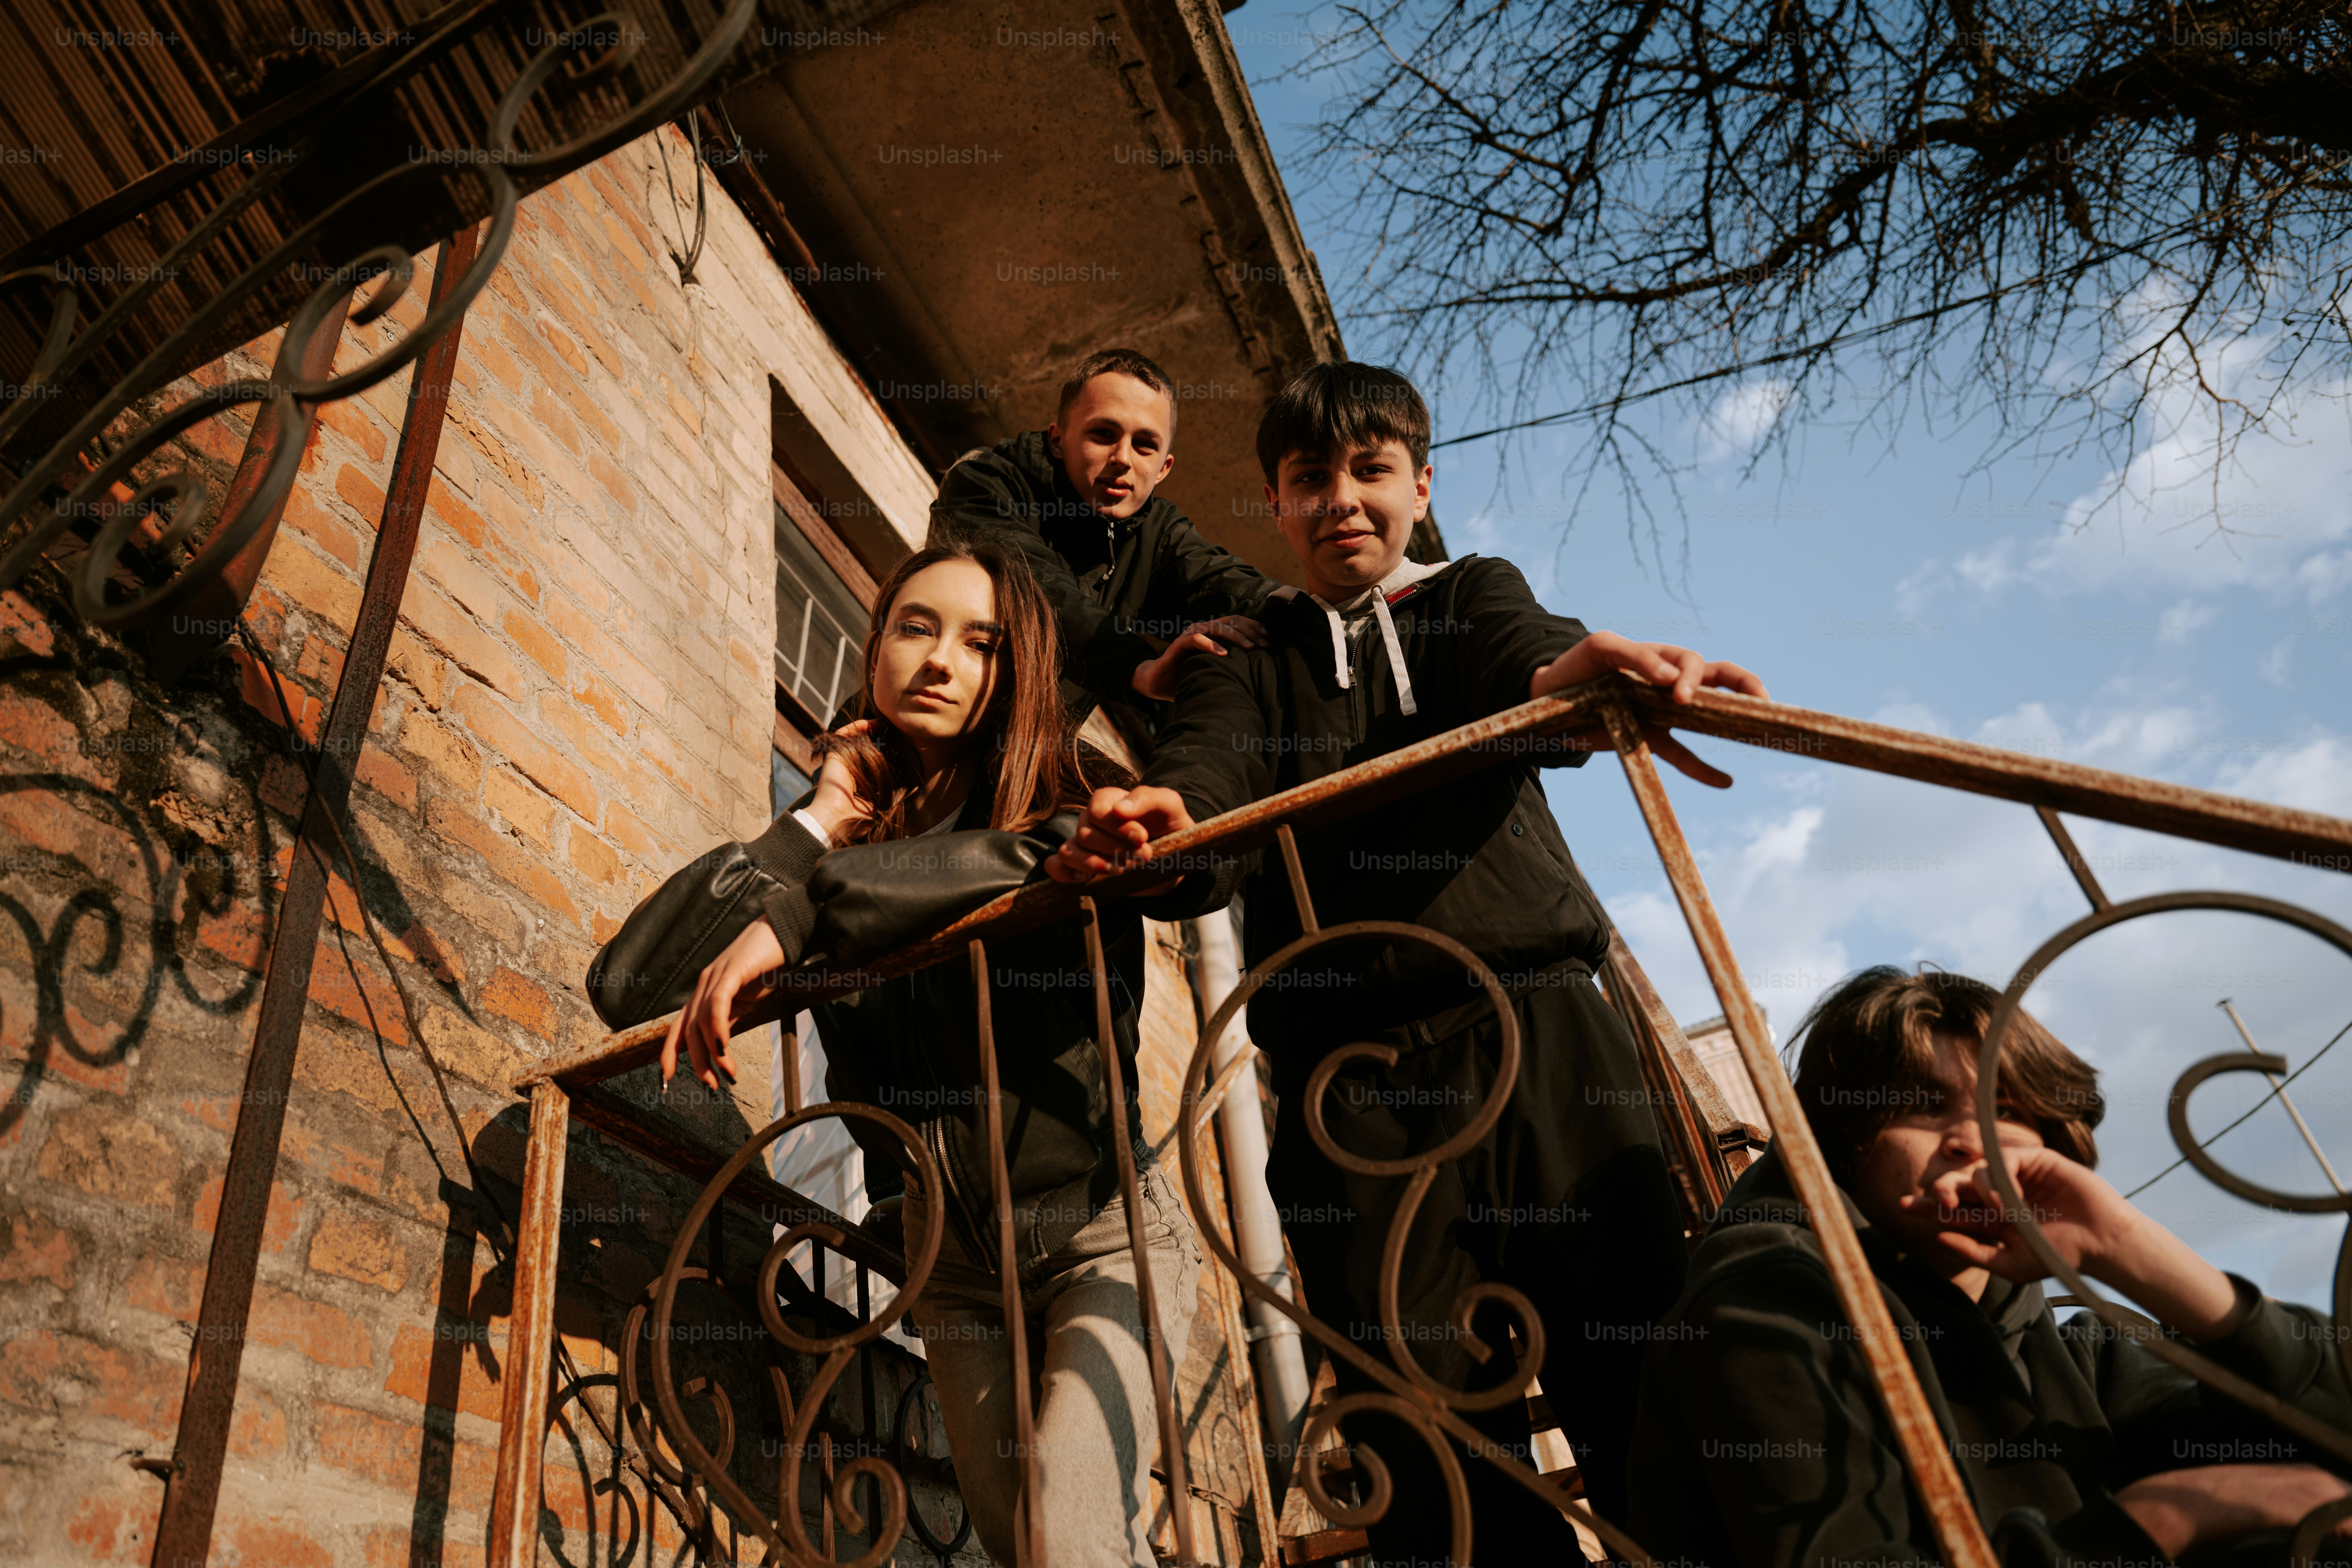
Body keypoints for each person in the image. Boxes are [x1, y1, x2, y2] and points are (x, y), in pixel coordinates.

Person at [1047, 360, 1769, 1564]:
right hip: (1350, 1089)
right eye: (1310, 478)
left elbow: (1525, 654)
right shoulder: (1253, 652)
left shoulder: (1466, 596)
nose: (1343, 500)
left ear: (1418, 485)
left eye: (1371, 472)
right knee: (1426, 1431)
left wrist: (1582, 668)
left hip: (1543, 1037)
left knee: (1639, 1366)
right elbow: (1215, 769)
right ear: (1275, 505)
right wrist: (1169, 816)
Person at [585, 540, 1202, 1568]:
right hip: (953, 1273)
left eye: (981, 644)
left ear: (1018, 673)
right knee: (1025, 1550)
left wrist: (804, 909)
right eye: (915, 627)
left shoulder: (1069, 805)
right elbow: (629, 990)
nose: (939, 660)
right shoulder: (845, 847)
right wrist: (817, 821)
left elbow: (997, 868)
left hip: (1103, 1230)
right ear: (873, 649)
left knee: (1075, 1540)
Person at [1628, 965, 2352, 1568]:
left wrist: (2128, 1246)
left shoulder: (2061, 1348)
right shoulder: (1765, 1300)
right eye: (1920, 1105)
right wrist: (2160, 1519)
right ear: (1844, 1140)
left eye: (2002, 1107)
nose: (1968, 1140)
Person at [929, 346, 1277, 720]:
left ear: (1164, 468)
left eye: (1145, 445)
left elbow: (1217, 581)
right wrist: (1137, 670)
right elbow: (1032, 586)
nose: (1123, 458)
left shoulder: (1156, 534)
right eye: (1104, 434)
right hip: (905, 738)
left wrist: (1312, 611)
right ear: (1058, 441)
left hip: (1022, 767)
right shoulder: (984, 485)